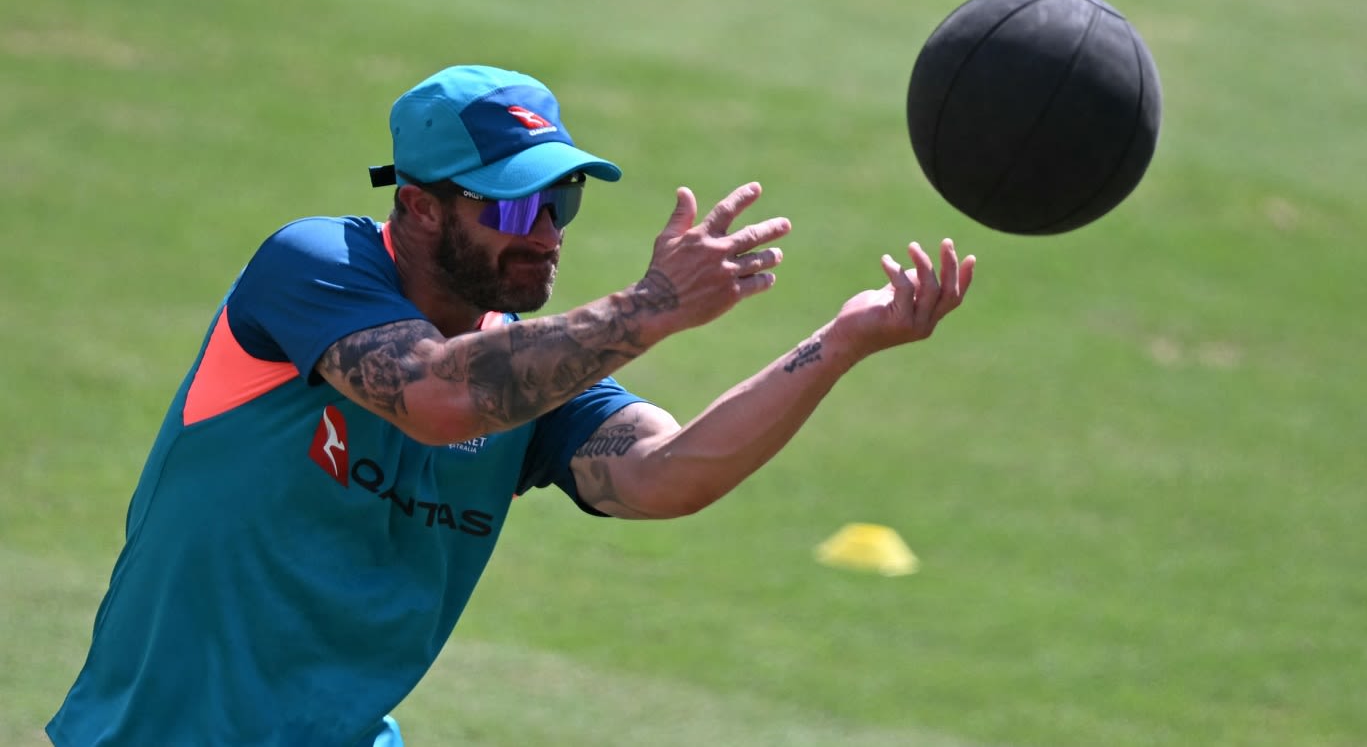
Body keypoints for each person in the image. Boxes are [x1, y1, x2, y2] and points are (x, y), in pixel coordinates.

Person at [48, 64, 975, 747]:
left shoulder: (534, 370)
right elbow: (438, 395)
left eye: (560, 201)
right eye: (514, 209)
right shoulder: (312, 267)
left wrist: (841, 343)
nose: (546, 238)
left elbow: (663, 476)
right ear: (417, 208)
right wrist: (653, 306)